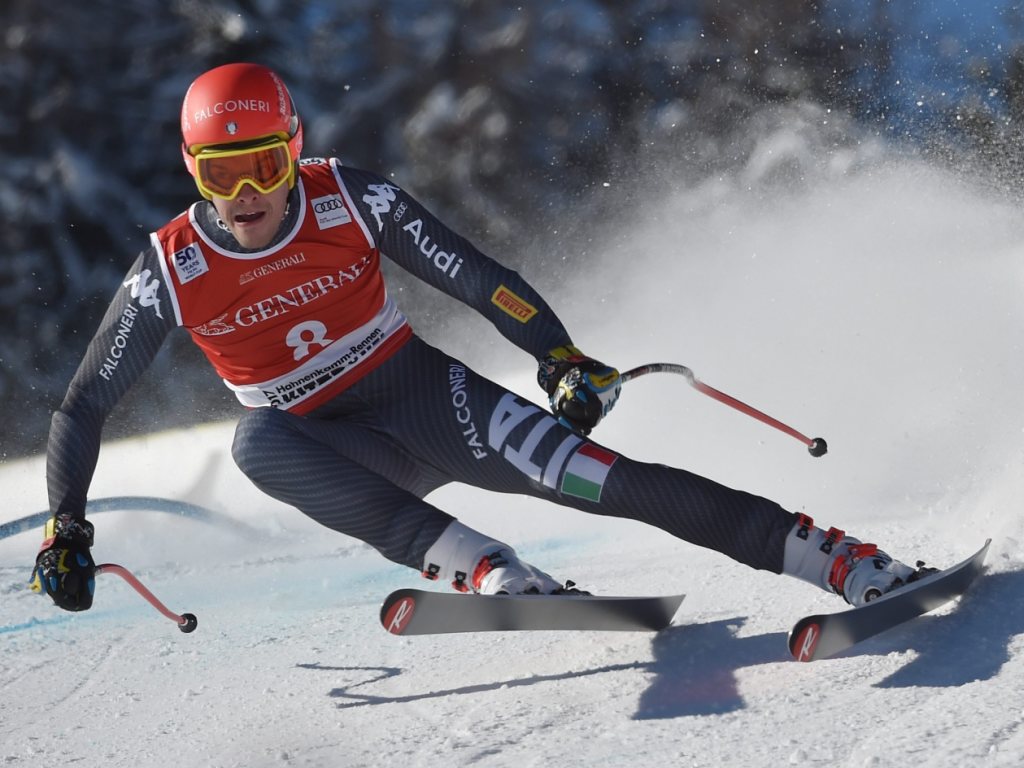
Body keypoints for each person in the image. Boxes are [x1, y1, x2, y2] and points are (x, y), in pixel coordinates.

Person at [31, 62, 923, 615]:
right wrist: (64, 529)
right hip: (326, 445)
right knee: (257, 442)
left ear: (294, 148)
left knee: (606, 483)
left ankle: (833, 557)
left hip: (429, 400)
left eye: (266, 164)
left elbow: (473, 274)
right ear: (195, 174)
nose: (250, 194)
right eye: (225, 174)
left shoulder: (349, 197)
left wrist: (559, 356)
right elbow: (85, 404)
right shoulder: (169, 270)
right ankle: (483, 567)